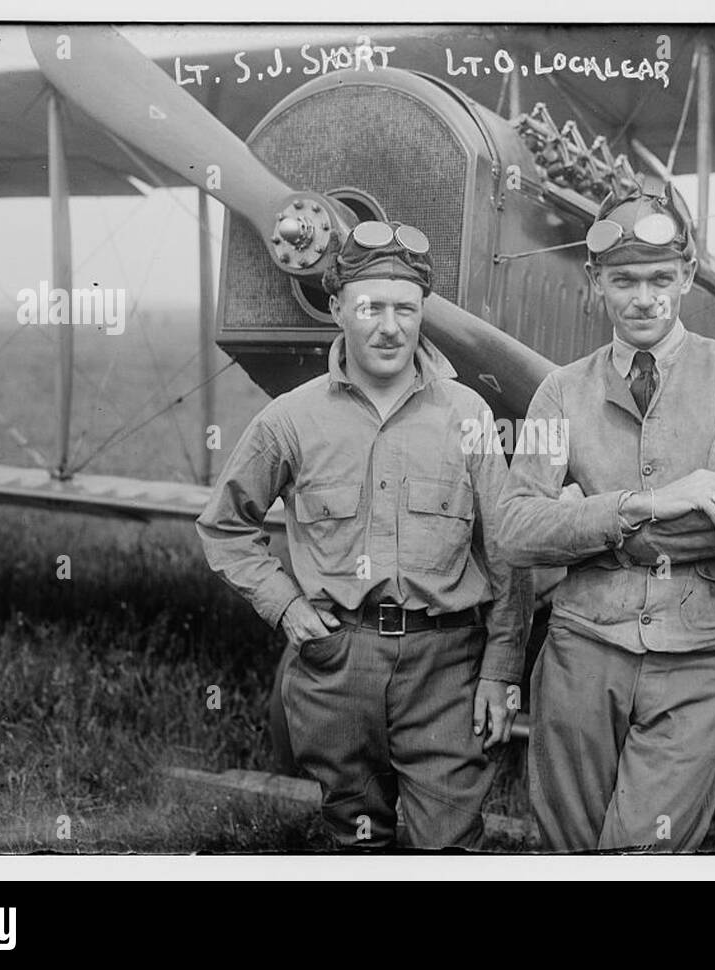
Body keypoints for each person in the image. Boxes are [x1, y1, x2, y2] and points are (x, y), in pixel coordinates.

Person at [196, 221, 532, 849]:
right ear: (337, 309)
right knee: (354, 841)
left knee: (451, 844)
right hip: (336, 665)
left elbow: (509, 552)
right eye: (370, 307)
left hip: (447, 669)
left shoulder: (469, 416)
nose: (390, 326)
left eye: (406, 308)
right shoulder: (290, 419)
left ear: (422, 313)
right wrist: (286, 606)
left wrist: (501, 669)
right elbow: (224, 526)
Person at [496, 176, 715, 851]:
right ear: (595, 281)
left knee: (644, 849)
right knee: (568, 845)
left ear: (686, 277)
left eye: (659, 277)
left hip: (696, 653)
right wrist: (647, 502)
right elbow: (513, 529)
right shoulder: (561, 391)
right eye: (624, 281)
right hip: (580, 652)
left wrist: (583, 528)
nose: (643, 297)